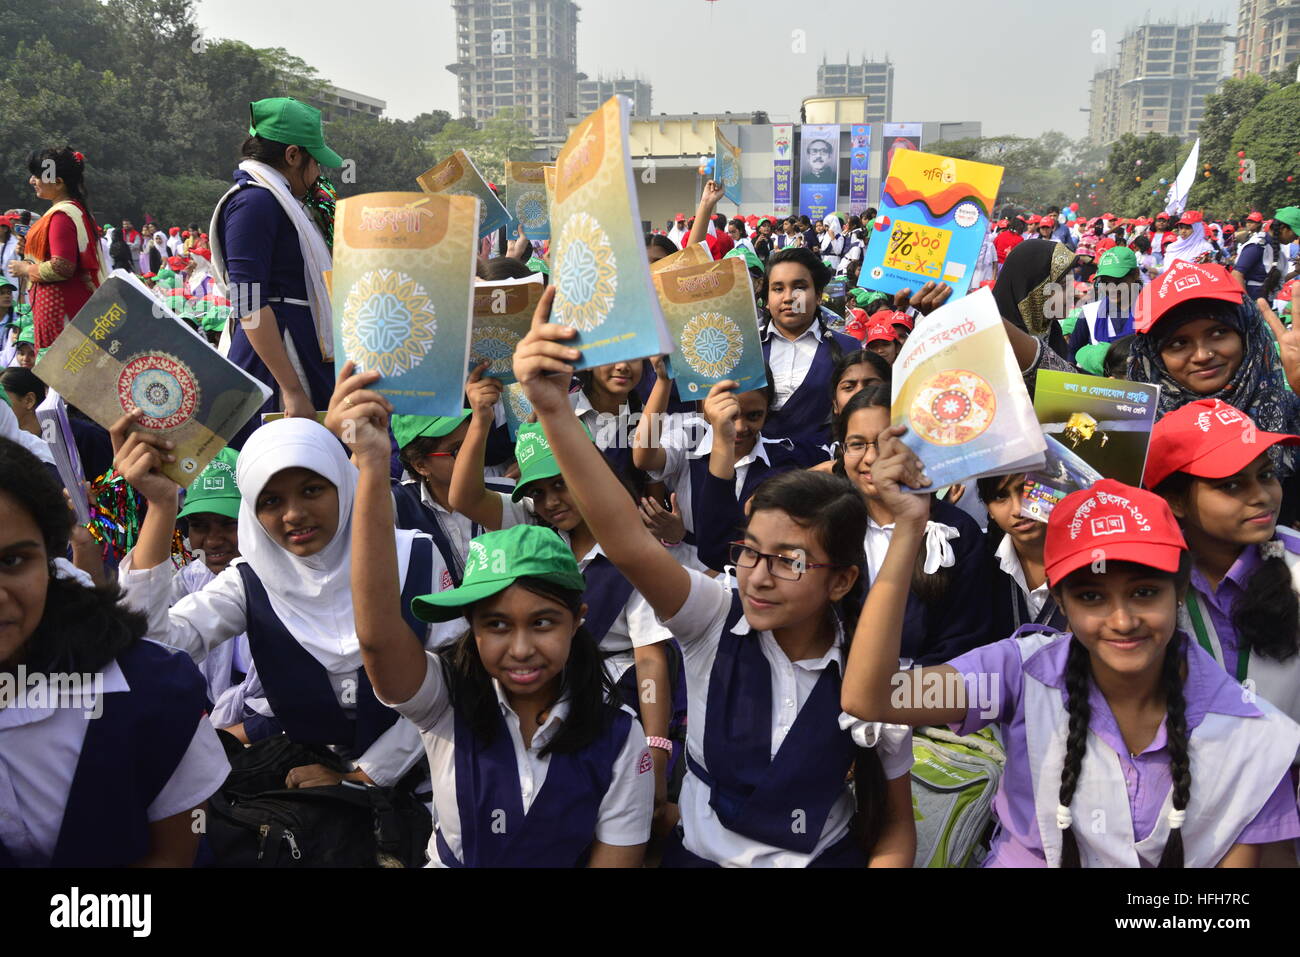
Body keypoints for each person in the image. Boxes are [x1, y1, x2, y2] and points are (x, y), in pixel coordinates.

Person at [512, 290, 916, 867]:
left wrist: (907, 530)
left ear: (842, 581)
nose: (758, 577)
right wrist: (552, 409)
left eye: (789, 561)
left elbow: (896, 829)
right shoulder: (711, 620)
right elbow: (626, 540)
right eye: (750, 553)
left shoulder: (875, 672)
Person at [841, 434, 1300, 868]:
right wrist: (908, 530)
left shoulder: (1256, 739)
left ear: (1179, 591)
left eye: (1143, 593)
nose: (1122, 621)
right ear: (1059, 602)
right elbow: (874, 696)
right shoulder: (1018, 675)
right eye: (1092, 597)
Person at [115, 409, 457, 789]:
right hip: (310, 800)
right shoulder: (251, 581)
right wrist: (161, 506)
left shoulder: (415, 559)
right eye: (271, 501)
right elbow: (151, 648)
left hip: (430, 788)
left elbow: (455, 679)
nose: (294, 514)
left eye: (312, 490)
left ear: (344, 484)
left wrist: (364, 776)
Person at [0, 437, 230, 867]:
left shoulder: (155, 689)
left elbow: (178, 850)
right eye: (200, 524)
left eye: (13, 561)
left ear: (48, 561)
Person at [1145, 400, 1300, 734]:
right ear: (1175, 501)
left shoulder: (1296, 567)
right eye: (1231, 484)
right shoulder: (1142, 581)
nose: (1261, 495)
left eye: (1266, 475)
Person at [209, 97, 340, 445]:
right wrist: (292, 388)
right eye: (315, 163)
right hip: (278, 359)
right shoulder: (255, 202)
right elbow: (248, 301)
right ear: (293, 155)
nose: (317, 175)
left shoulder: (281, 200)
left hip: (297, 346)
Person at [833, 387, 993, 664]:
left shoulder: (956, 532)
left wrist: (900, 694)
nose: (870, 458)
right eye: (857, 444)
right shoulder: (828, 524)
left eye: (884, 443)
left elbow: (966, 639)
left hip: (923, 696)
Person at [1128, 262, 1300, 490]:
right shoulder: (1129, 435)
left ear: (1248, 335)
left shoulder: (1291, 415)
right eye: (1179, 343)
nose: (1202, 355)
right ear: (1153, 356)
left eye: (1219, 333)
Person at [757, 247, 861, 446]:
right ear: (767, 299)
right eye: (778, 289)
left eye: (799, 287)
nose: (789, 298)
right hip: (756, 469)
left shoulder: (848, 349)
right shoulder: (746, 349)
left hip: (824, 470)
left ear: (819, 295)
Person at [6, 148, 107, 349]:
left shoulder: (61, 216)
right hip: (67, 309)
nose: (31, 181)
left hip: (61, 313)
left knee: (64, 375)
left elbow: (62, 267)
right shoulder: (73, 210)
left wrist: (25, 269)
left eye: (37, 176)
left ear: (58, 182)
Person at [977, 473, 1067, 637]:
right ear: (988, 509)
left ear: (1055, 490)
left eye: (1027, 489)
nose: (1018, 509)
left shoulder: (1095, 563)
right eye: (1000, 496)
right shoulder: (977, 561)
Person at [1068, 246, 1142, 355]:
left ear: (1135, 274)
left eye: (1118, 281)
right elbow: (1071, 355)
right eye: (1105, 282)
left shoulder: (1154, 312)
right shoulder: (1089, 314)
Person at [1233, 206, 1297, 301]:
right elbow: (1236, 274)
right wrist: (1248, 306)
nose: (1296, 237)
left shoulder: (1278, 250)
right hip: (1253, 308)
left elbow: (1275, 282)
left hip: (1266, 308)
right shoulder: (1257, 246)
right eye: (1295, 233)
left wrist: (1296, 271)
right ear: (1283, 228)